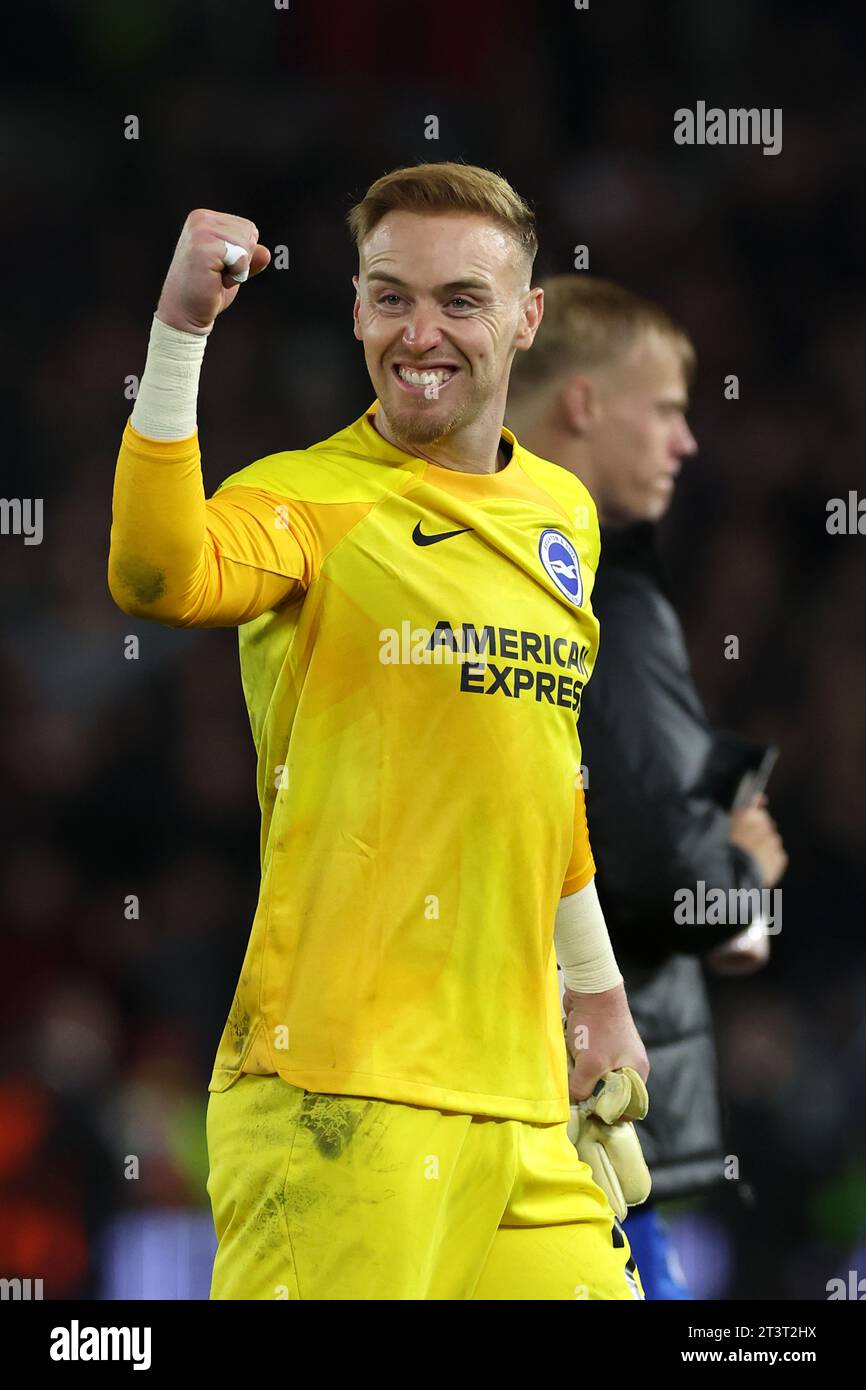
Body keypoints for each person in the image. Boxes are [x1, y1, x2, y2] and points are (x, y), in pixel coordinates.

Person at [107, 165, 649, 1300]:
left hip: (521, 1103)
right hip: (338, 1095)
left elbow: (538, 774)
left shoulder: (563, 514)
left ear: (525, 318)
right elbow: (156, 574)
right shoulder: (310, 501)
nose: (421, 332)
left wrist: (594, 992)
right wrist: (178, 333)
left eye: (460, 299)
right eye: (391, 296)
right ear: (354, 309)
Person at [506, 275, 788, 1299]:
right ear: (581, 403)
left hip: (488, 1103)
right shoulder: (608, 598)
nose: (685, 442)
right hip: (594, 1128)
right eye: (667, 408)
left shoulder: (466, 563)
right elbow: (667, 871)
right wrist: (743, 881)